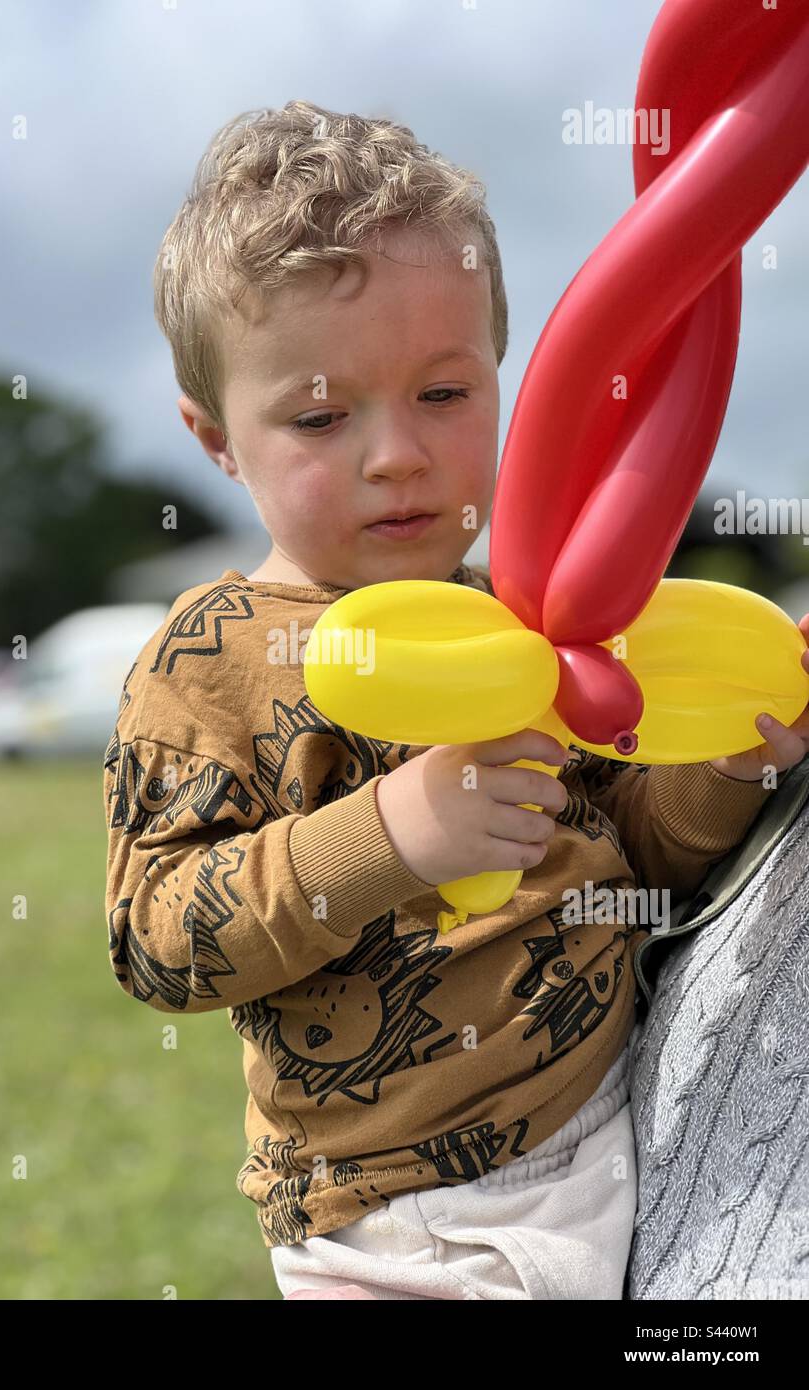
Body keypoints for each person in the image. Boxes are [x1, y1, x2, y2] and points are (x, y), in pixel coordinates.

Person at [103, 100, 809, 1300]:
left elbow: (630, 848)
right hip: (402, 1227)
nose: (397, 455)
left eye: (445, 395)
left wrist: (727, 765)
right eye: (322, 417)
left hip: (619, 1141)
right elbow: (155, 937)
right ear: (218, 438)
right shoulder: (209, 657)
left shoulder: (526, 613)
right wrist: (393, 836)